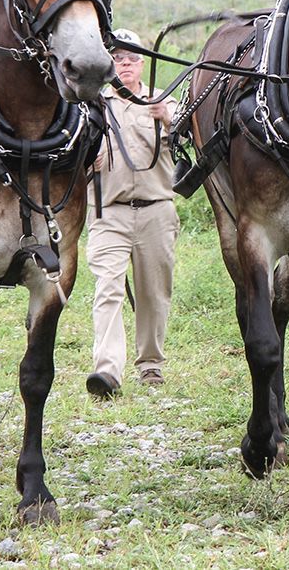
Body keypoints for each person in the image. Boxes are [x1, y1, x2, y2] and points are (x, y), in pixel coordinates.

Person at [84, 29, 180, 398]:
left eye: (131, 58)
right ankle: (106, 370)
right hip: (110, 212)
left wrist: (167, 119)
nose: (125, 64)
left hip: (157, 209)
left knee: (154, 292)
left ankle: (151, 363)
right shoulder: (92, 106)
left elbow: (189, 140)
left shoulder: (162, 102)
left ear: (142, 64)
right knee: (108, 288)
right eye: (118, 58)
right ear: (108, 63)